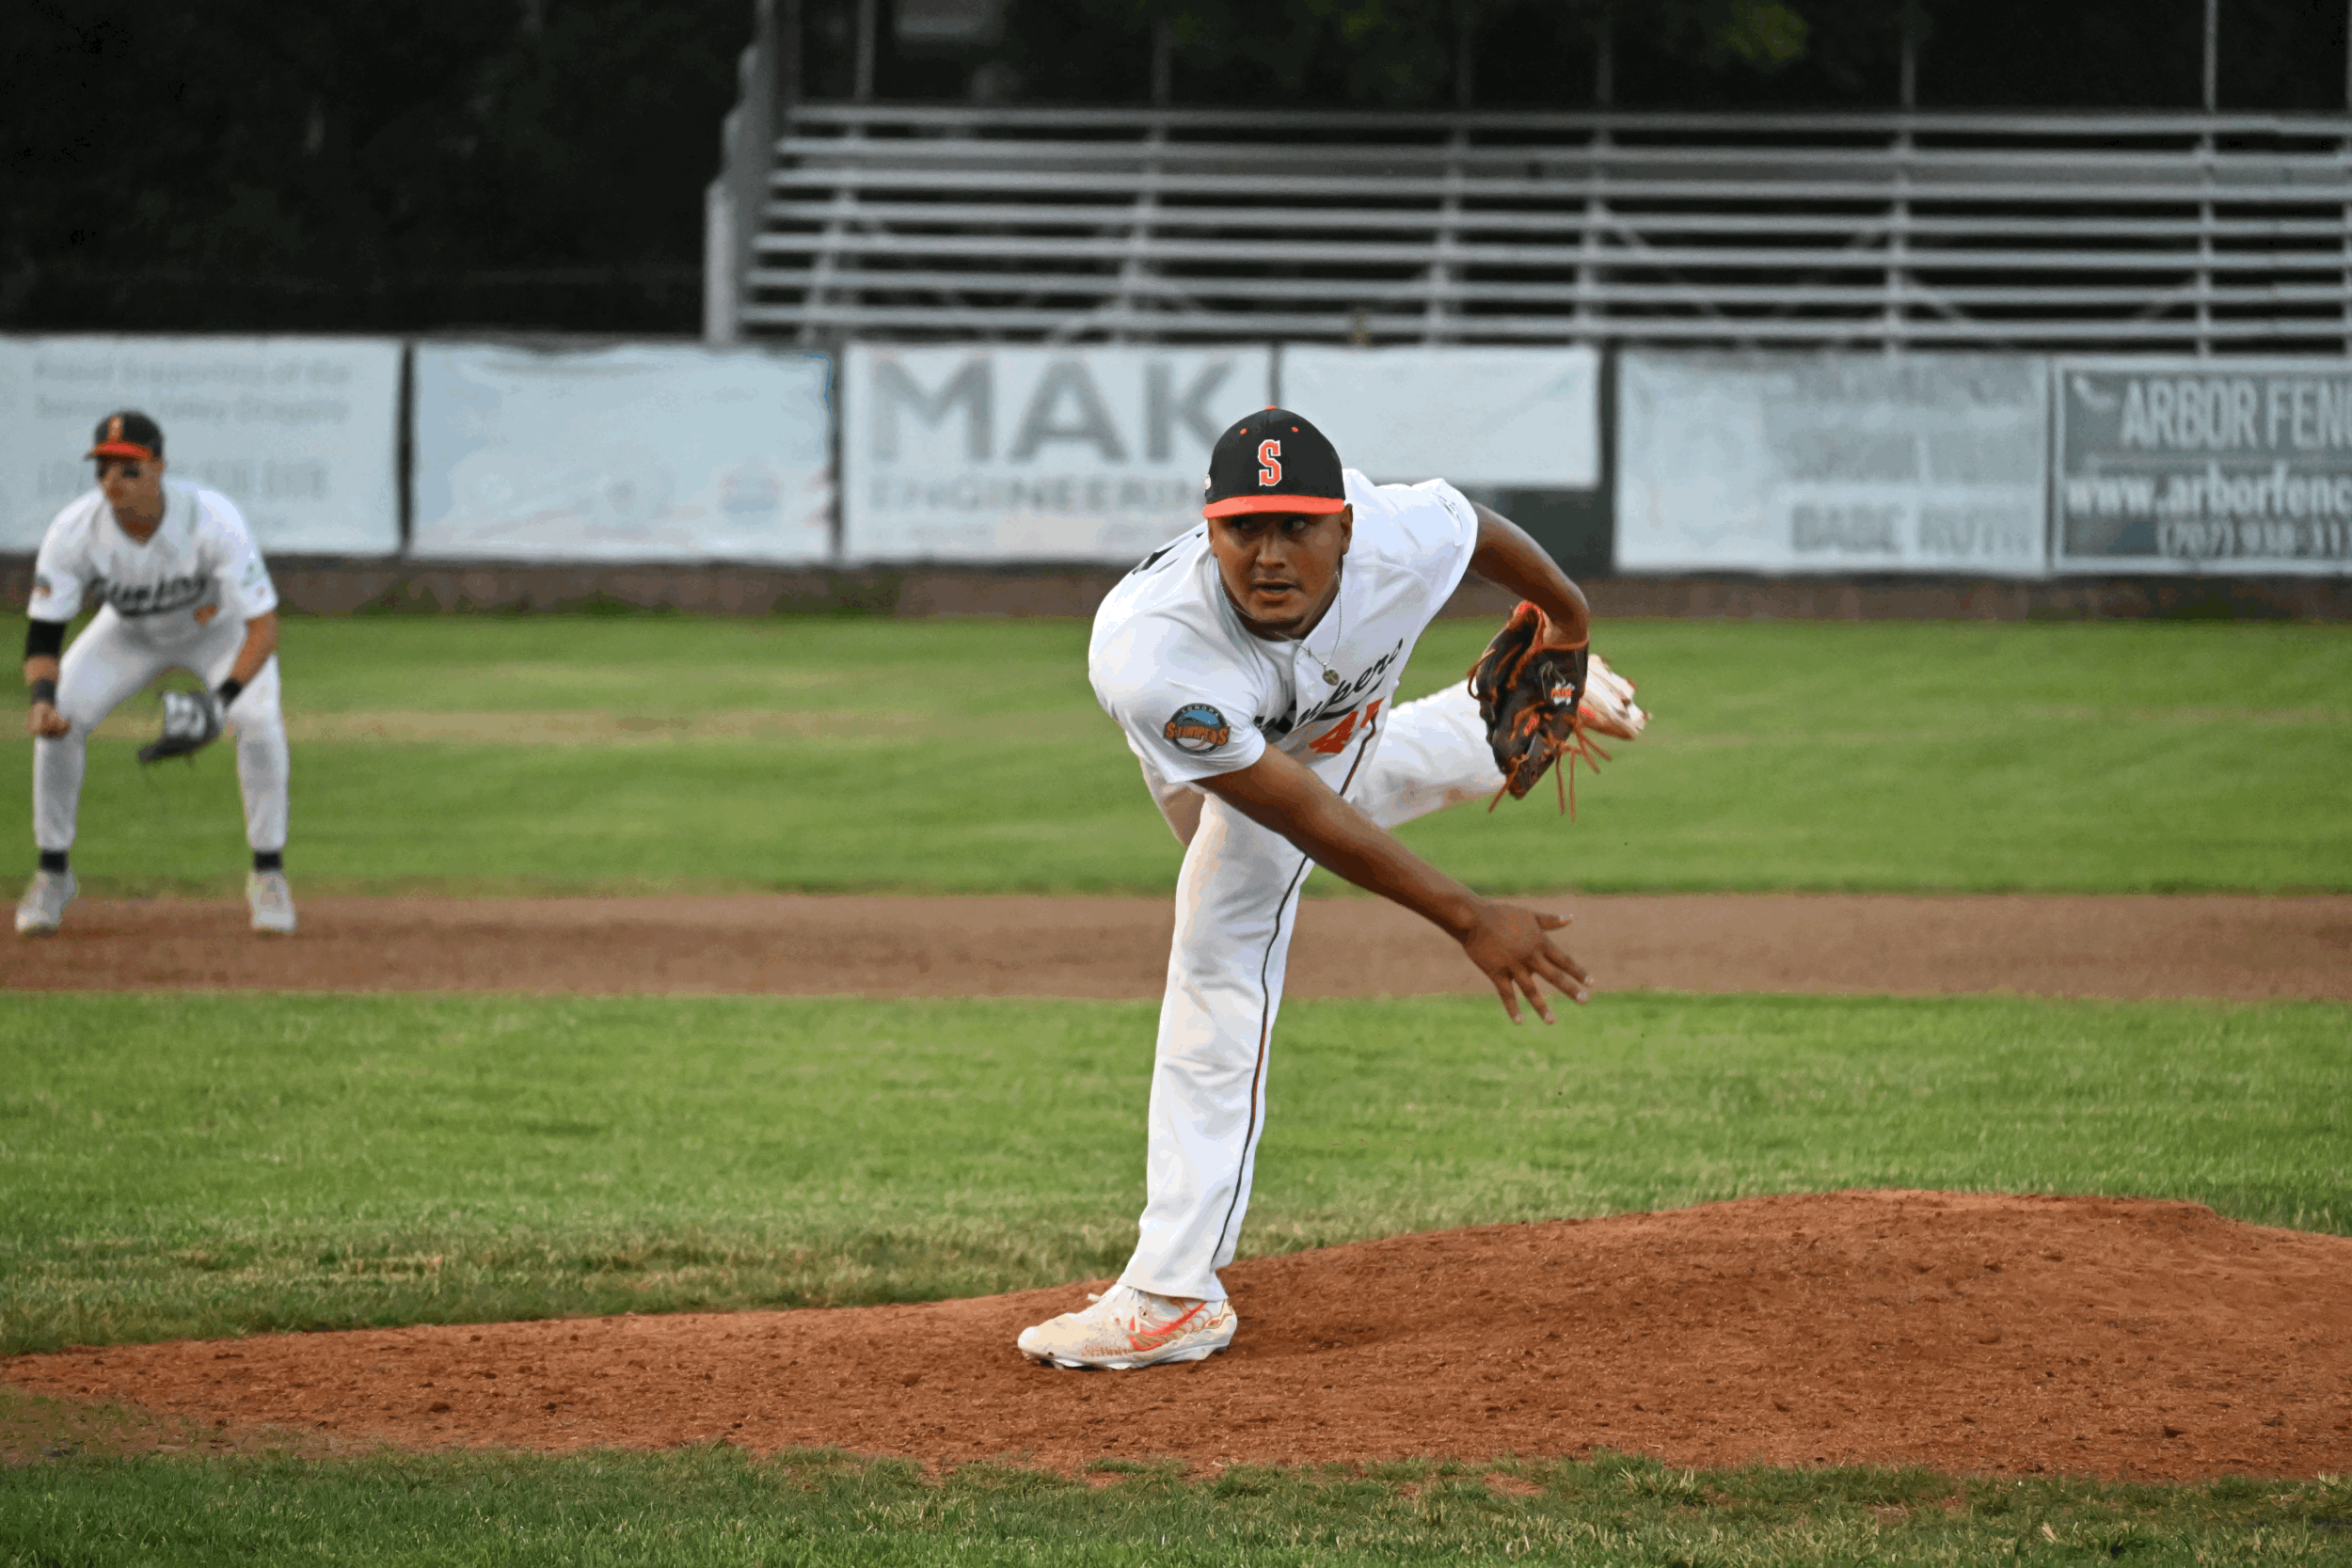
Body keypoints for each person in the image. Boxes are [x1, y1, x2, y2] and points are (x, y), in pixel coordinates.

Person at [1017, 407, 1596, 1370]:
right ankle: (1468, 733)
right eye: (1245, 527)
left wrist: (1567, 620)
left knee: (1220, 942)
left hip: (1324, 730)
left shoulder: (1398, 538)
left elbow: (1476, 527)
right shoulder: (1154, 656)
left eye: (1298, 524)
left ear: (1347, 526)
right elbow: (1297, 811)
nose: (1271, 553)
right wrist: (1466, 912)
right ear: (1208, 531)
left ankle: (1172, 1289)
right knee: (1276, 816)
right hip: (1227, 743)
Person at [17, 411, 295, 936]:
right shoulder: (75, 530)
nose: (112, 482)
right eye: (103, 469)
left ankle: (268, 873)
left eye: (129, 469)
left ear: (160, 467)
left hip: (218, 631)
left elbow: (263, 627)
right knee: (61, 720)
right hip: (128, 633)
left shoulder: (213, 519)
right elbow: (42, 637)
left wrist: (223, 699)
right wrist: (41, 696)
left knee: (258, 721)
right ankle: (52, 872)